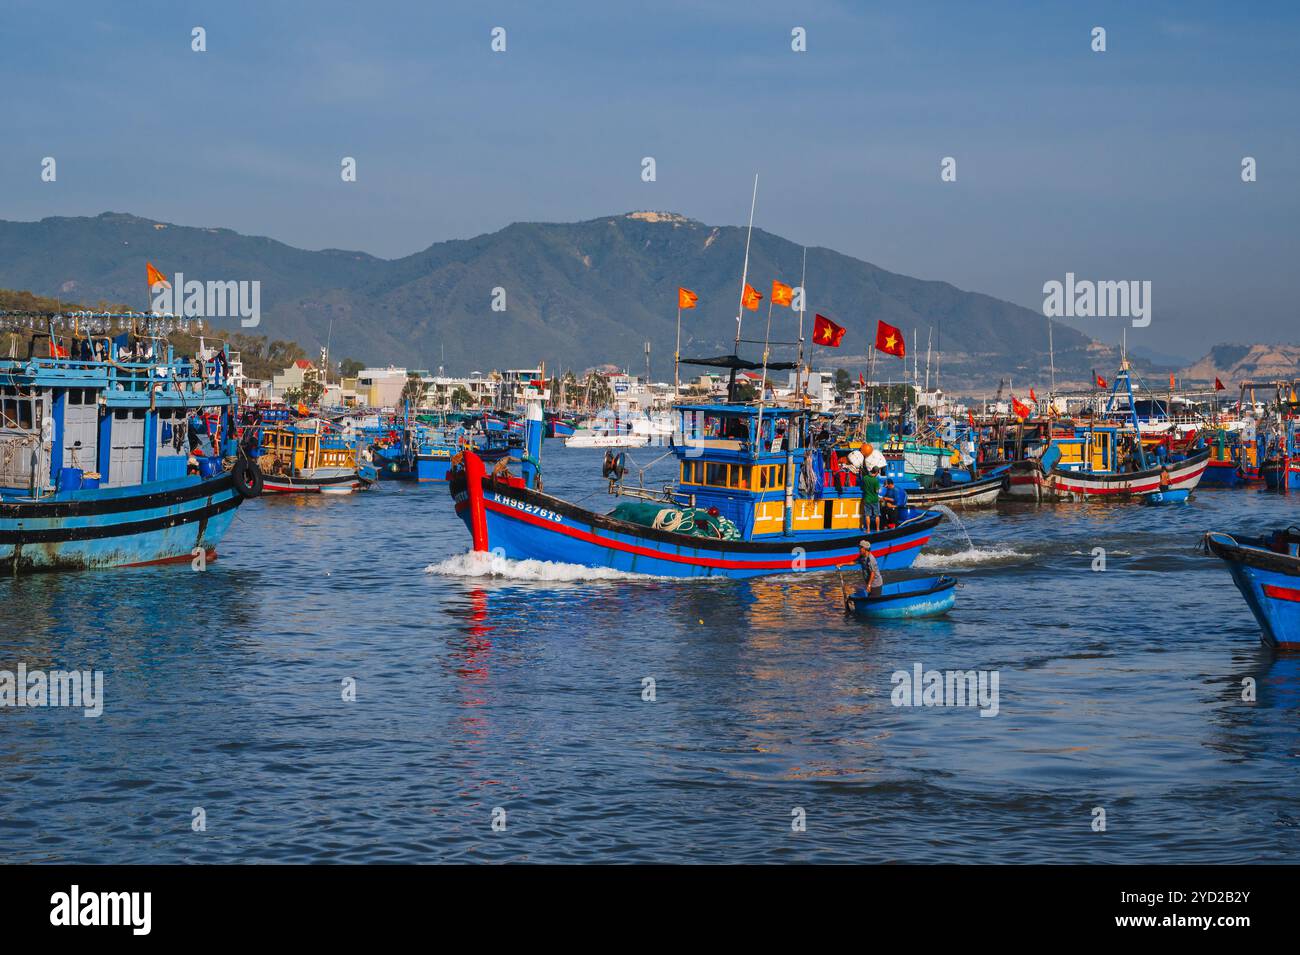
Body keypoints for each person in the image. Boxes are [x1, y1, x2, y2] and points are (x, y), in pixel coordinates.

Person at [860, 466, 881, 532]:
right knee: (877, 515)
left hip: (867, 499)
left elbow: (863, 486)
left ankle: (868, 529)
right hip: (874, 499)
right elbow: (877, 491)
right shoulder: (875, 480)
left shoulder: (865, 478)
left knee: (867, 515)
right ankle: (877, 529)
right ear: (877, 472)